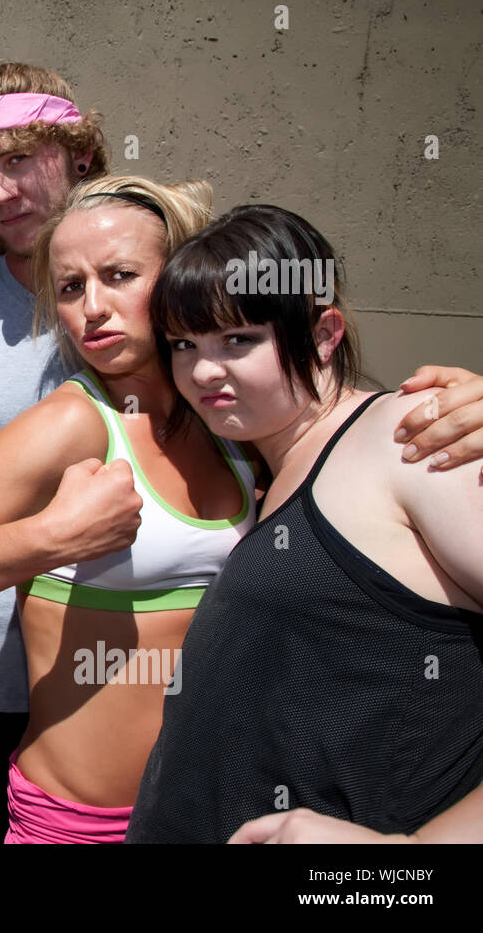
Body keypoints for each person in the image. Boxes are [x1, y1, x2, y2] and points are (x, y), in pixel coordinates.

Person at [0, 175, 262, 842]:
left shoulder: (228, 416)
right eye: (70, 288)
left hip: (210, 812)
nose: (93, 308)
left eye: (120, 276)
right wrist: (53, 536)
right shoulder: (73, 424)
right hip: (80, 826)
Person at [126, 205, 483, 844]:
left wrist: (411, 854)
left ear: (323, 335)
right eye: (184, 345)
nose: (203, 371)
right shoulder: (267, 469)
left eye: (238, 340)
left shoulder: (410, 439)